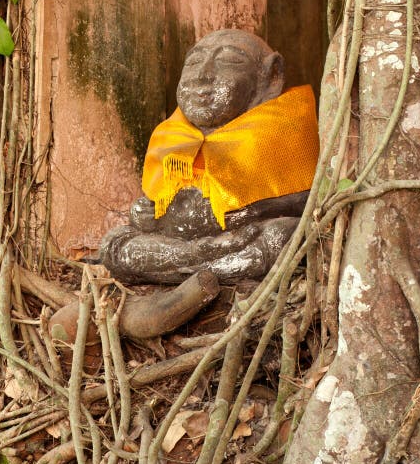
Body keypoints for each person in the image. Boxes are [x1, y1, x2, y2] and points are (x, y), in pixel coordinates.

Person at [99, 29, 319, 285]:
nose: (202, 76)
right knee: (114, 245)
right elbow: (157, 197)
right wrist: (144, 213)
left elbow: (304, 199)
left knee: (281, 236)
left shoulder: (284, 129)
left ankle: (188, 275)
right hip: (190, 245)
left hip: (244, 239)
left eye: (229, 61)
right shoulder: (173, 136)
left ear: (271, 77)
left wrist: (247, 211)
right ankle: (197, 265)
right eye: (193, 62)